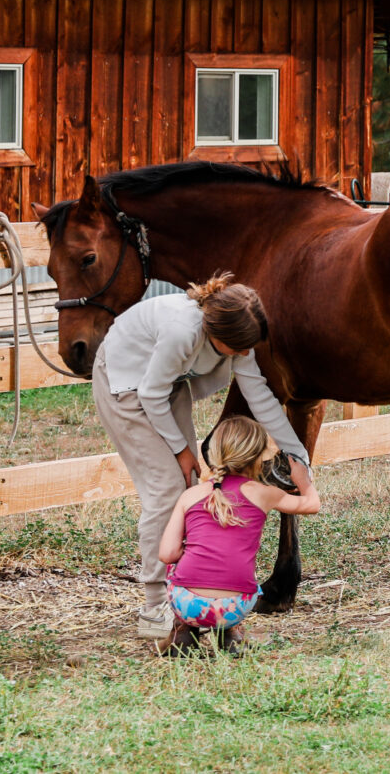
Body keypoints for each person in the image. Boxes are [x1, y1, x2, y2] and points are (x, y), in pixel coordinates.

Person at [92, 273, 313, 642]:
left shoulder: (236, 340)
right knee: (166, 490)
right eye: (240, 348)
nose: (245, 354)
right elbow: (149, 393)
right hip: (127, 385)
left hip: (166, 386)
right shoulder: (183, 331)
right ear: (218, 334)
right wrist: (180, 450)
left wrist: (296, 452)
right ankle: (154, 608)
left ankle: (188, 593)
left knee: (191, 488)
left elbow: (259, 395)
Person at [159, 415, 321, 653]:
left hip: (188, 606)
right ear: (260, 456)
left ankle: (184, 633)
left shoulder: (190, 495)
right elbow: (312, 504)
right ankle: (230, 633)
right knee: (235, 562)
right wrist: (302, 480)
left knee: (174, 564)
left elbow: (166, 553)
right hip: (236, 607)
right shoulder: (264, 493)